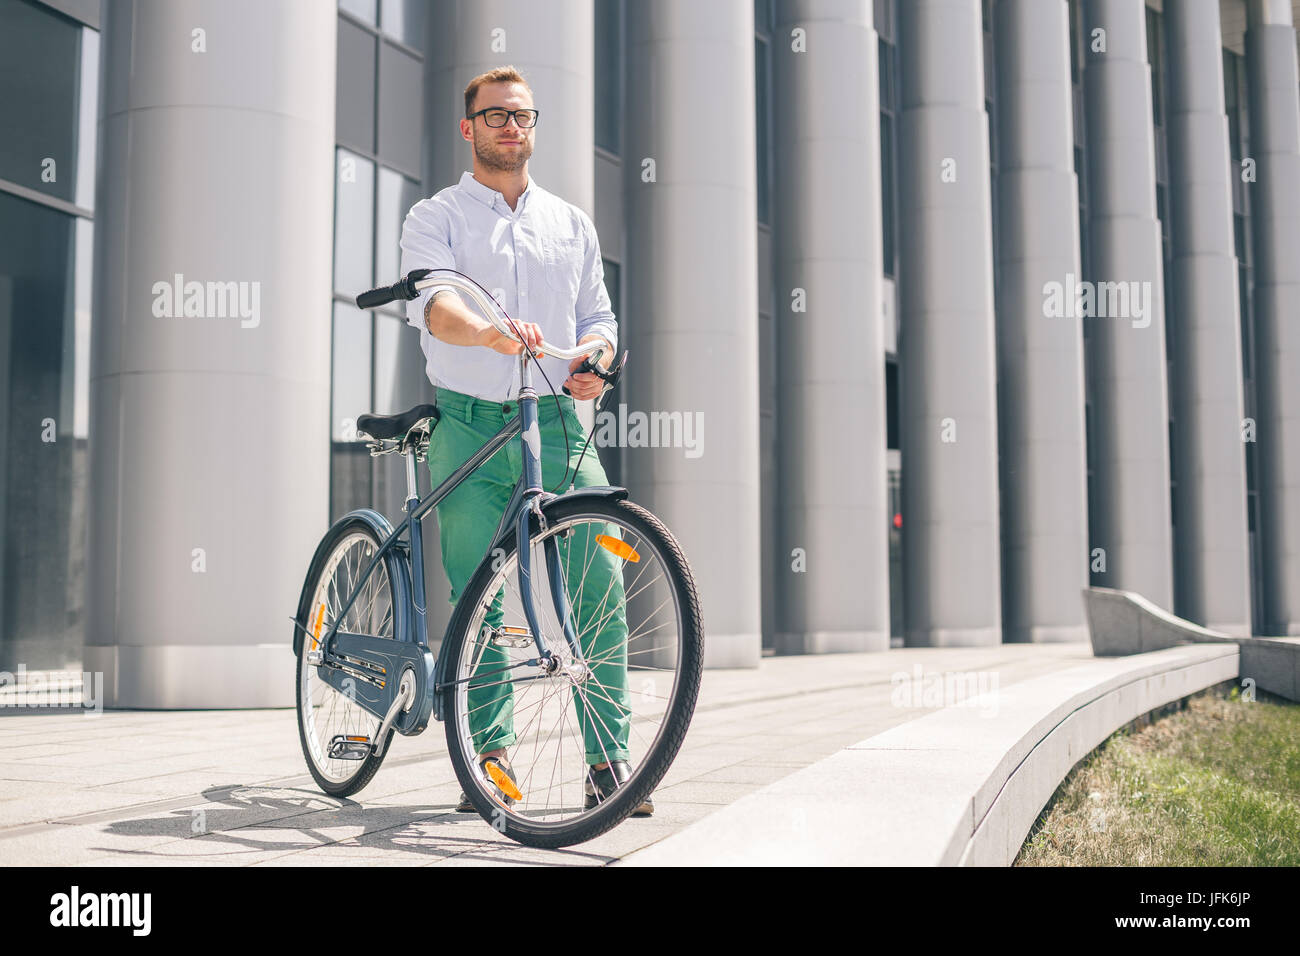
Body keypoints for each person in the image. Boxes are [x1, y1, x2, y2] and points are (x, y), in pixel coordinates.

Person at [398, 66, 652, 816]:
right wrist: (490, 332)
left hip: (560, 424)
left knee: (600, 586)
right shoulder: (436, 215)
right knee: (477, 594)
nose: (512, 126)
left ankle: (609, 765)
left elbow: (598, 320)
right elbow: (435, 306)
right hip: (470, 419)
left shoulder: (572, 224)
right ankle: (492, 766)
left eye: (523, 116)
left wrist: (598, 362)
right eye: (496, 115)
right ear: (468, 128)